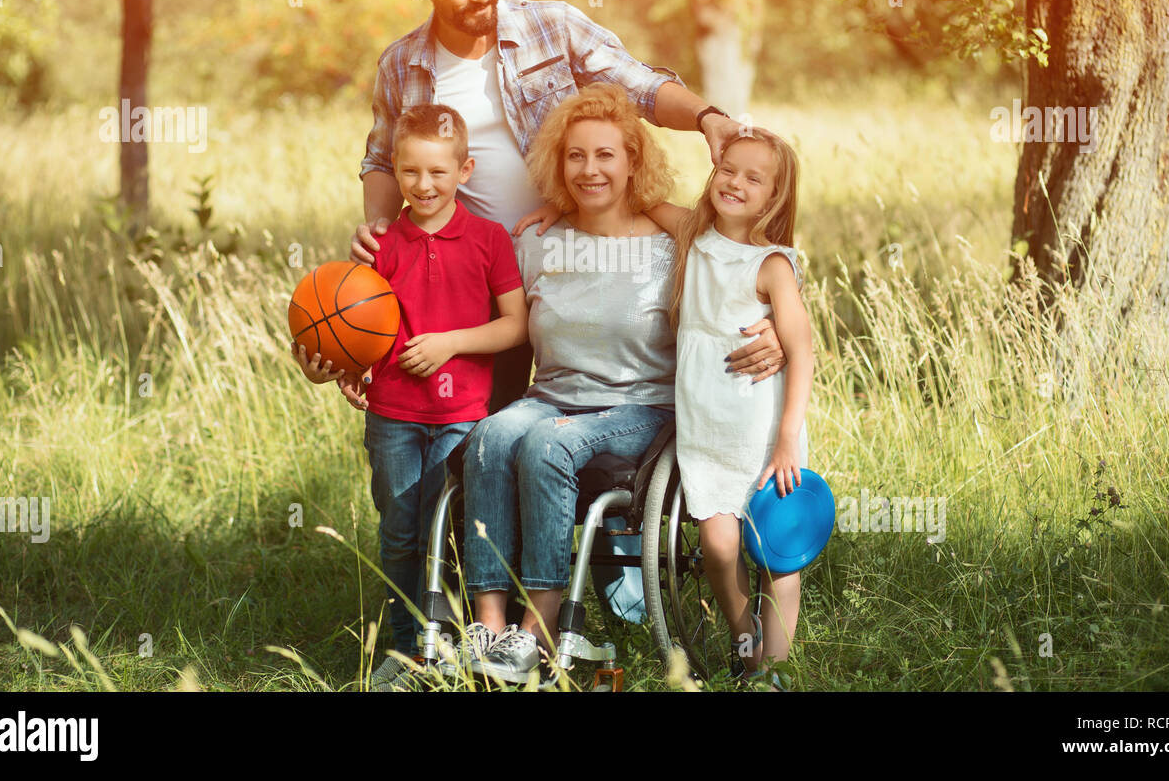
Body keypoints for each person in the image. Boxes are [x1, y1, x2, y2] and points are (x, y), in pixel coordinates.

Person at [349, 0, 789, 414]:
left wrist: (707, 117)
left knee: (577, 419)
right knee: (472, 432)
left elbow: (642, 85)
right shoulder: (402, 64)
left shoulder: (551, 27)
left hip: (567, 266)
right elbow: (381, 161)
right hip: (473, 282)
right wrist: (379, 241)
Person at [293, 104, 528, 689]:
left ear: (465, 170)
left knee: (452, 529)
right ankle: (409, 652)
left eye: (438, 173)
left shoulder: (489, 239)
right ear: (393, 170)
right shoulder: (380, 246)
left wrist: (450, 344)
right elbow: (360, 326)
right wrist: (340, 368)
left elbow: (516, 326)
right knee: (400, 530)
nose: (424, 186)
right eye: (410, 172)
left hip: (463, 417)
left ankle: (459, 643)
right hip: (394, 416)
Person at [450, 85, 677, 682]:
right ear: (559, 163)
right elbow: (489, 320)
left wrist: (777, 336)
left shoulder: (669, 249)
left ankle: (541, 629)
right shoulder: (537, 241)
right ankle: (489, 628)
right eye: (575, 156)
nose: (590, 169)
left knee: (550, 442)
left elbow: (750, 269)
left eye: (605, 155)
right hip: (551, 396)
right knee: (493, 436)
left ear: (633, 160)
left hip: (639, 407)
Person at [663, 127, 814, 687]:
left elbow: (802, 351)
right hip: (705, 433)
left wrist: (788, 438)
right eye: (728, 169)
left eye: (754, 178)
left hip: (762, 434)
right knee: (719, 545)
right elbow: (629, 198)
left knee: (776, 551)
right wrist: (550, 215)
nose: (735, 183)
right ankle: (743, 635)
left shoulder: (772, 264)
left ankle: (770, 673)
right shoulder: (690, 234)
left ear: (774, 195)